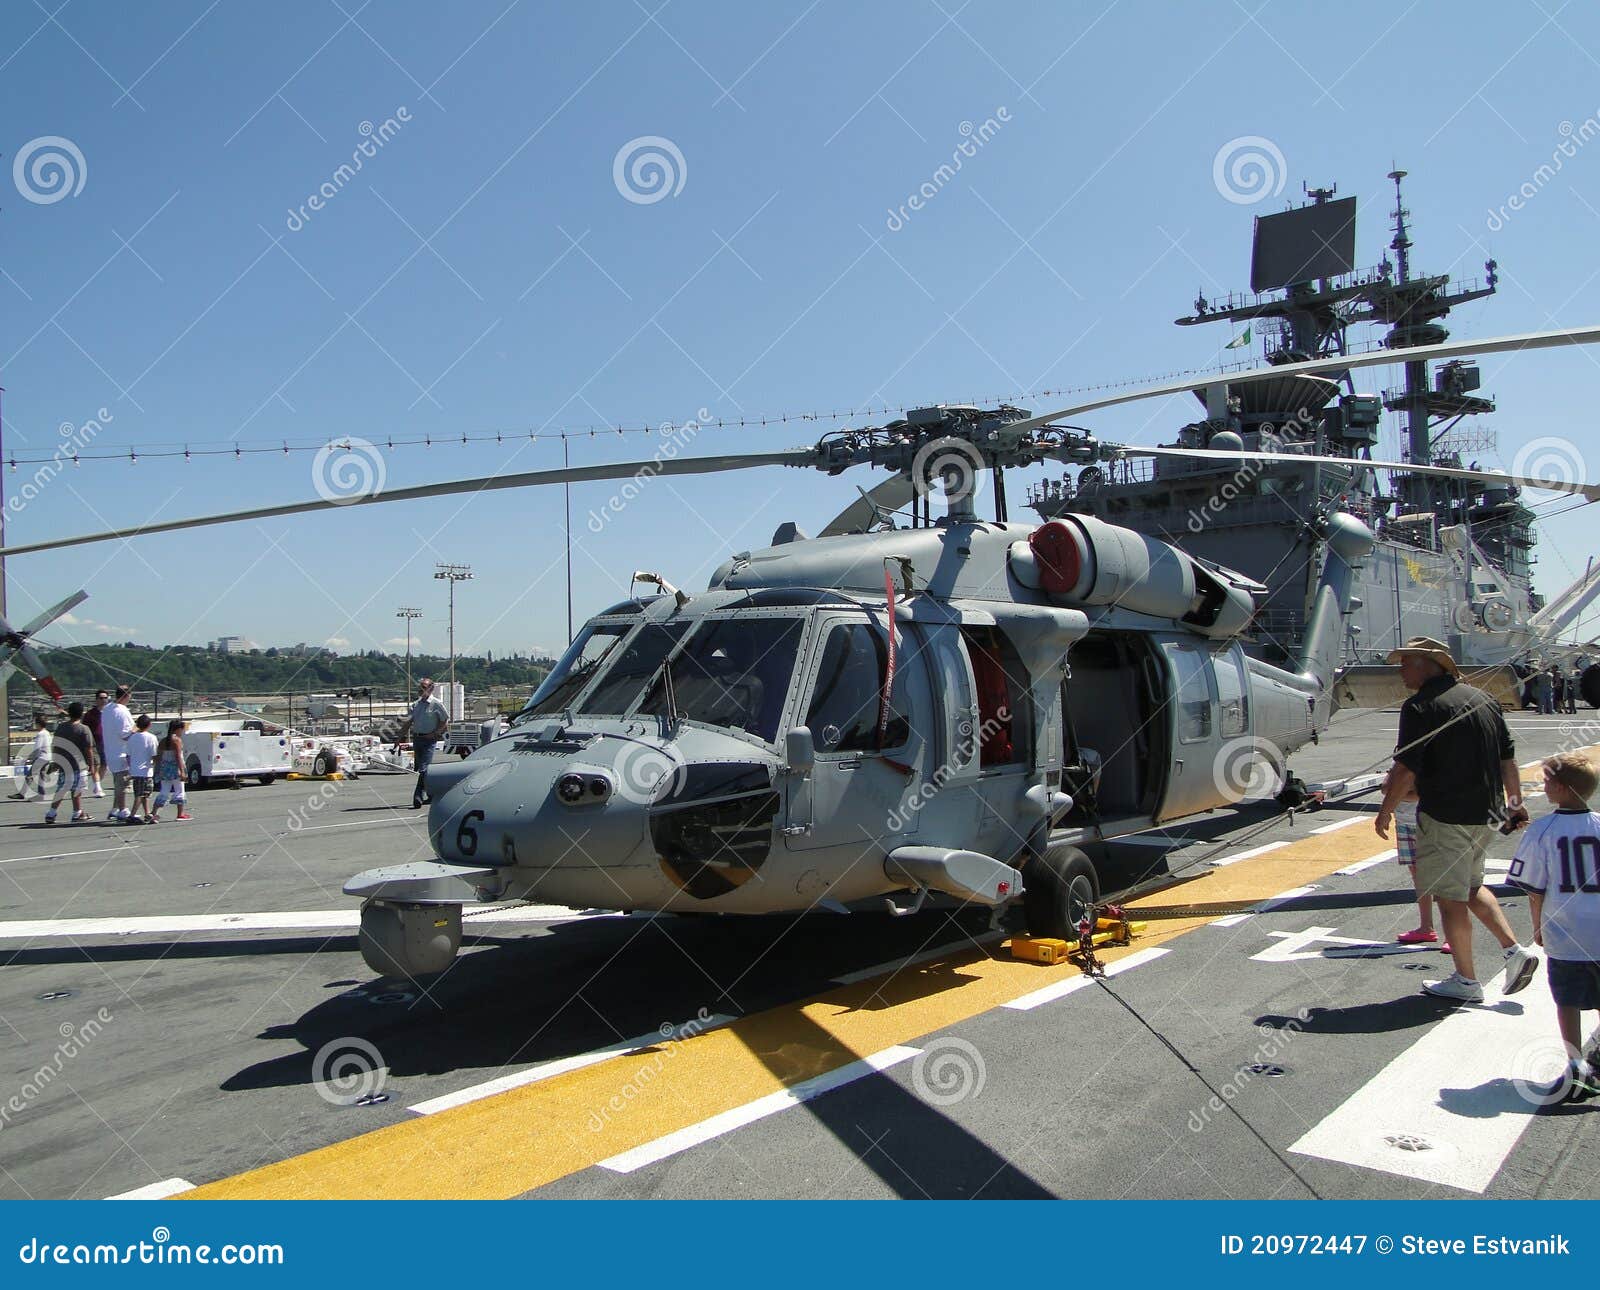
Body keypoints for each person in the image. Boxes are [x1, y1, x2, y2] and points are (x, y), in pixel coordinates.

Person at [1375, 636, 1539, 1002]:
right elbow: (1507, 761)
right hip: (1487, 814)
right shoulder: (1485, 700)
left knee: (1449, 899)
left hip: (1445, 814)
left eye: (1405, 662)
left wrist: (1385, 811)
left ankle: (1466, 981)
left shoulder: (1420, 706)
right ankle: (1515, 952)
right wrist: (1514, 804)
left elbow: (1404, 769)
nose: (1400, 669)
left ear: (1424, 664)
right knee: (1470, 886)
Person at [1507, 752, 1600, 1101]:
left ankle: (1575, 1064)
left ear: (1560, 788)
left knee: (1567, 999)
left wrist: (1538, 927)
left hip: (1565, 927)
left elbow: (1534, 889)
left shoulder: (1544, 829)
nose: (1543, 786)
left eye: (1547, 781)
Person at [1384, 765, 1448, 949]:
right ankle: (1426, 927)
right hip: (1404, 823)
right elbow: (1384, 788)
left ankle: (1451, 934)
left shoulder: (1432, 762)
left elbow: (1425, 793)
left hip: (1428, 822)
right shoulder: (1400, 765)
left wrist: (1397, 792)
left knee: (1441, 878)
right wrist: (1403, 790)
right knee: (1418, 877)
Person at [45, 702, 98, 825]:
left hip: (64, 763)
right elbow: (88, 748)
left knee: (62, 789)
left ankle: (52, 813)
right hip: (79, 764)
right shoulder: (84, 729)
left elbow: (56, 745)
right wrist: (92, 764)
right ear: (81, 714)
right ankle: (77, 812)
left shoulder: (61, 727)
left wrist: (55, 761)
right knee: (77, 790)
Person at [406, 677, 449, 809]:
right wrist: (398, 739)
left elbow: (445, 722)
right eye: (420, 687)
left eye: (424, 687)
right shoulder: (415, 705)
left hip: (429, 740)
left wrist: (435, 733)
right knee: (421, 769)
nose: (421, 689)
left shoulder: (436, 704)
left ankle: (418, 795)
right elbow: (408, 722)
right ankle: (431, 794)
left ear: (431, 689)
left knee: (424, 768)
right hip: (417, 739)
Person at [102, 684, 135, 821]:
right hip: (121, 752)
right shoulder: (122, 711)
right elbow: (125, 734)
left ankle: (115, 809)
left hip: (110, 750)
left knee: (117, 783)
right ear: (127, 696)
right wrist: (137, 730)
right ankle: (123, 809)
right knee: (122, 784)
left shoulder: (107, 709)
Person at [151, 719, 191, 822]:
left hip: (165, 768)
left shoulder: (163, 741)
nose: (182, 732)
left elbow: (159, 757)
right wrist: (182, 771)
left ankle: (153, 813)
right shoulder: (177, 740)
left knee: (164, 791)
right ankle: (180, 814)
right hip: (175, 768)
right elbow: (178, 756)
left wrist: (157, 770)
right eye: (182, 729)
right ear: (178, 729)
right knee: (179, 790)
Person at [10, 713, 53, 800]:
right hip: (48, 757)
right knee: (41, 776)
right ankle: (41, 794)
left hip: (41, 757)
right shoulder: (48, 733)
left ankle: (22, 794)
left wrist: (32, 759)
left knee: (29, 776)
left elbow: (37, 748)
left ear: (38, 724)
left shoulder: (40, 734)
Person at [126, 714, 158, 825]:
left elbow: (128, 755)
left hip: (135, 770)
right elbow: (154, 754)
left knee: (143, 794)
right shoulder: (151, 738)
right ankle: (132, 815)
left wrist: (131, 768)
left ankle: (147, 813)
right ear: (149, 725)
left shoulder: (132, 738)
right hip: (145, 770)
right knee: (142, 793)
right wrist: (156, 765)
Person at [84, 689, 109, 799]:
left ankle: (97, 784)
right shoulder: (90, 714)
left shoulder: (110, 712)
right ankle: (98, 787)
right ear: (96, 699)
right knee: (95, 764)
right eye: (101, 698)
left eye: (105, 698)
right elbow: (85, 728)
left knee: (104, 765)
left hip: (106, 742)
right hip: (94, 743)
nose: (103, 700)